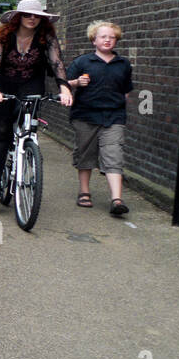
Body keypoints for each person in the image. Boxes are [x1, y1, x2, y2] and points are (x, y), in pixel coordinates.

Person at [0, 0, 73, 199]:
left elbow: (57, 63)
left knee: (28, 121)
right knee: (2, 131)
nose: (32, 18)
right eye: (27, 15)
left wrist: (64, 88)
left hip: (31, 83)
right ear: (18, 17)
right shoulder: (2, 37)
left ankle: (27, 148)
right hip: (4, 84)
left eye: (37, 15)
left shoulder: (46, 37)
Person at [66, 21, 133, 214]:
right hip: (85, 116)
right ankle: (84, 192)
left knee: (114, 155)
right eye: (103, 36)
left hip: (114, 117)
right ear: (94, 40)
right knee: (85, 154)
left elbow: (126, 91)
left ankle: (117, 200)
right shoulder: (82, 62)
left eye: (112, 37)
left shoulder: (123, 64)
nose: (108, 40)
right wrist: (77, 82)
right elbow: (65, 84)